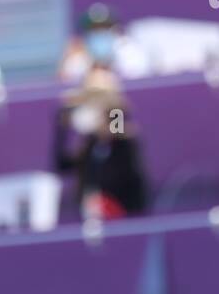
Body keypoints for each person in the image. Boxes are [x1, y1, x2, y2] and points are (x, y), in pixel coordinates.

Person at [54, 88, 149, 221]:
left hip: (122, 213)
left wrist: (110, 112)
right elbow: (62, 164)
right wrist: (63, 128)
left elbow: (118, 119)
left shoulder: (122, 143)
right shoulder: (89, 144)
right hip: (92, 217)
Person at [58, 5, 151, 83]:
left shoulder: (128, 50)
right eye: (94, 29)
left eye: (105, 27)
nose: (99, 32)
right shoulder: (79, 56)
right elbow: (66, 81)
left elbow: (138, 77)